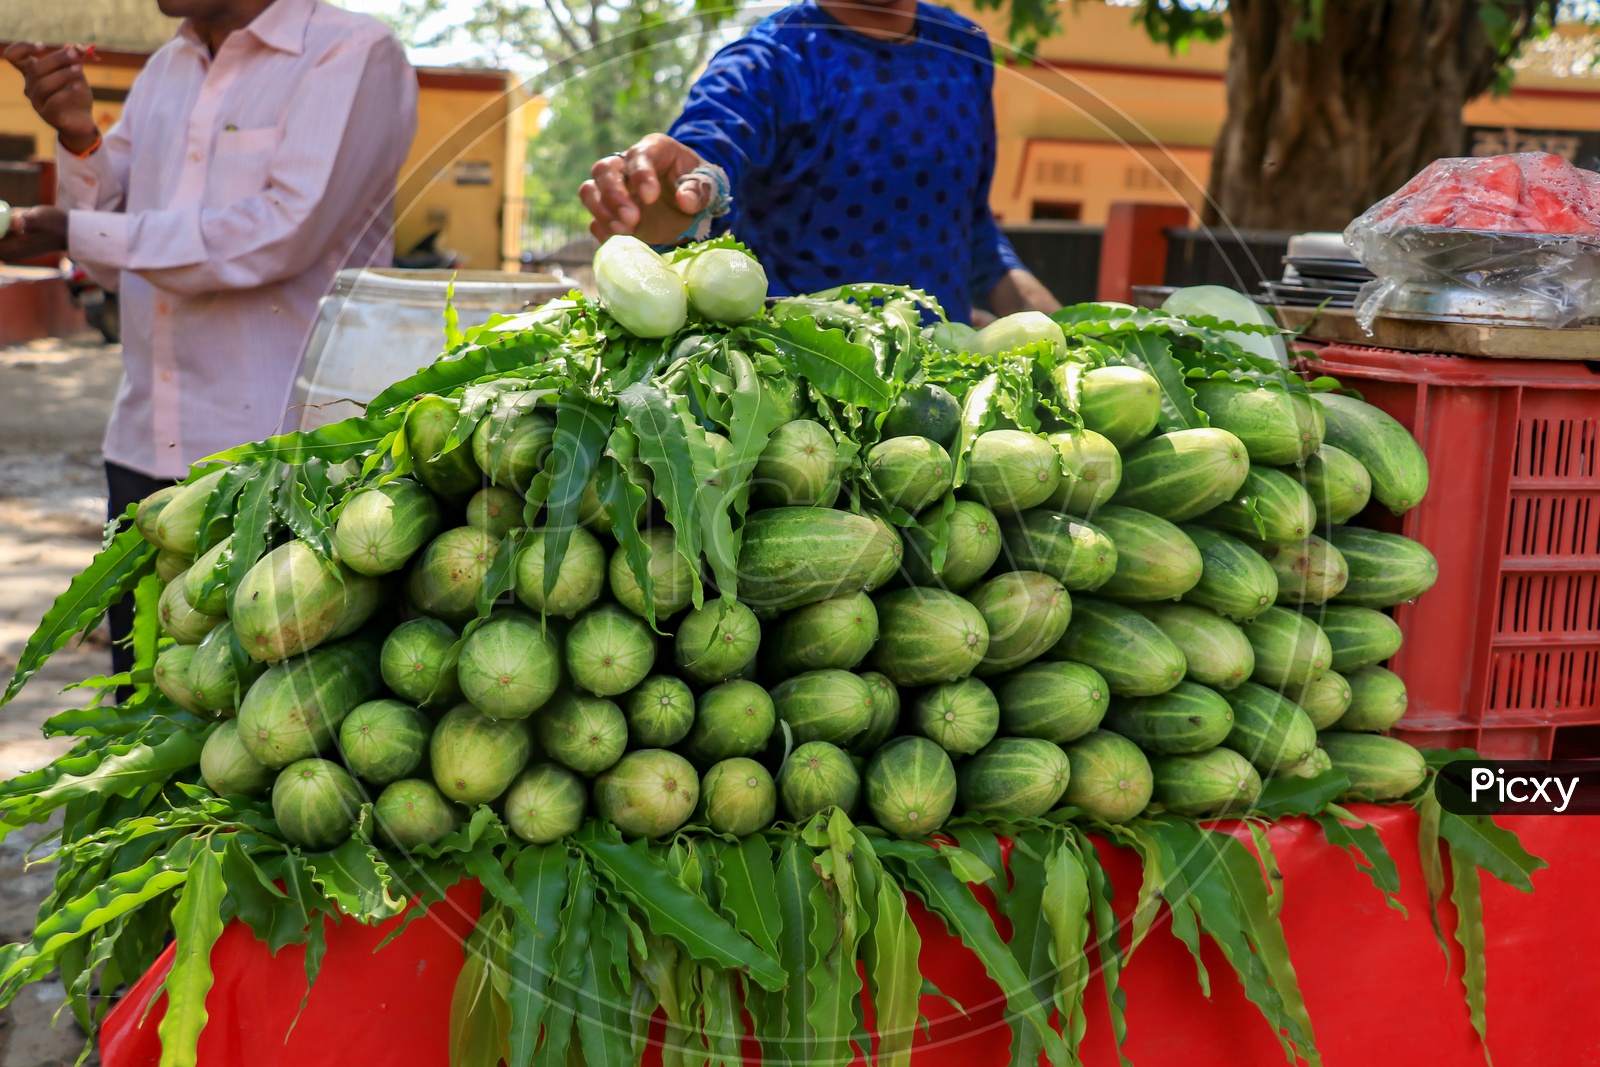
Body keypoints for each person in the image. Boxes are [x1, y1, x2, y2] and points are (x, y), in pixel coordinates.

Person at [0, 0, 418, 679]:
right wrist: (79, 137)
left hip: (287, 465)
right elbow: (108, 253)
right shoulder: (170, 66)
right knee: (137, 715)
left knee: (262, 736)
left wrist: (83, 233)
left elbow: (281, 231)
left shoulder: (350, 52)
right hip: (143, 450)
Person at [579, 0, 1056, 323]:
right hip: (810, 419)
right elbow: (712, 150)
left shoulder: (964, 48)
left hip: (950, 408)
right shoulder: (771, 62)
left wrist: (1069, 333)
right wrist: (681, 200)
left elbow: (970, 233)